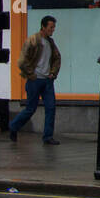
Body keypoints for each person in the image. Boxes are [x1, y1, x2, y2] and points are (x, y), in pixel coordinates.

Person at [11, 15, 61, 144]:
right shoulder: (32, 40)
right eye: (51, 27)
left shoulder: (51, 42)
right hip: (35, 81)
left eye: (54, 27)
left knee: (51, 108)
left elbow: (57, 58)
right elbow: (22, 61)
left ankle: (48, 137)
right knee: (30, 109)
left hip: (47, 81)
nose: (53, 30)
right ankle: (13, 127)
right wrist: (31, 74)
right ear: (43, 27)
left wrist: (53, 73)